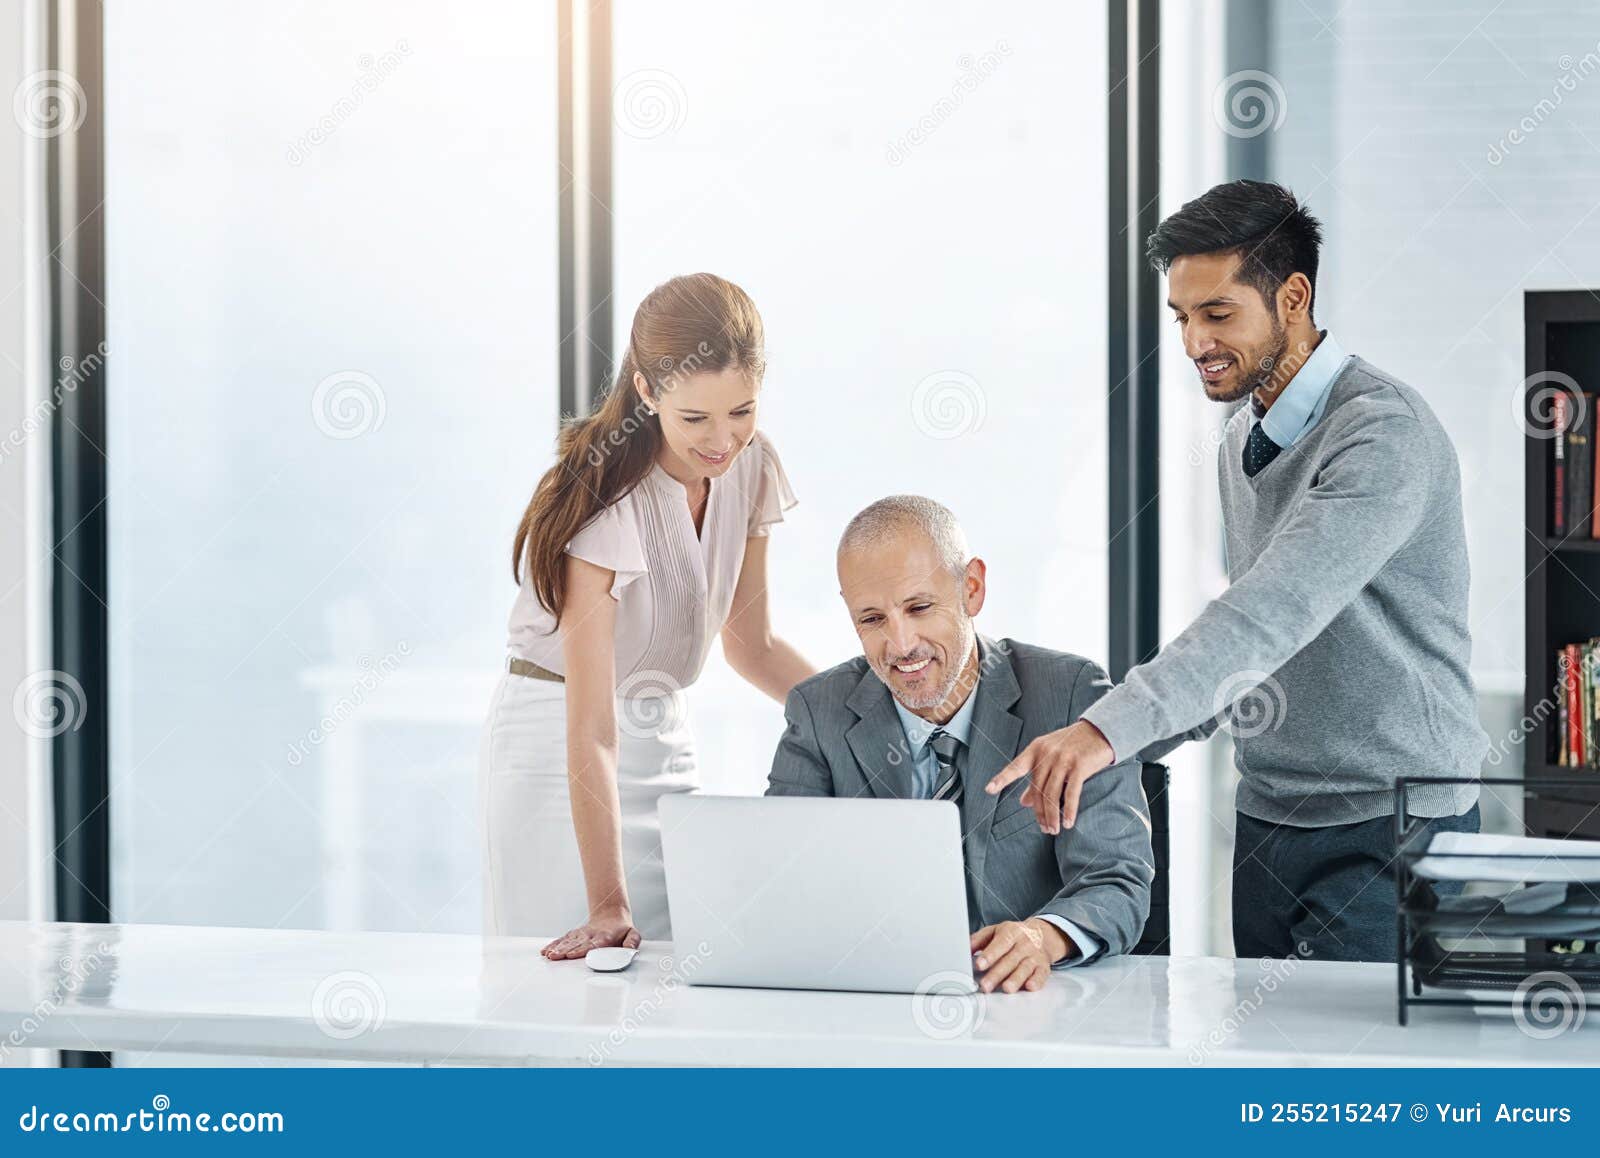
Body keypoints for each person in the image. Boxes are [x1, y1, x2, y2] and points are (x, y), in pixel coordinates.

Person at [986, 180, 1487, 962]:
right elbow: (1247, 655)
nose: (1194, 342)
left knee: (1345, 1047)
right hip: (1271, 817)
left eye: (1217, 314)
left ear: (1293, 297)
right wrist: (1114, 743)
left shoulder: (1383, 433)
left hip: (1392, 822)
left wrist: (1104, 732)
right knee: (1260, 1036)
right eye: (1182, 317)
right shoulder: (1241, 439)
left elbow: (1271, 612)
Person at [482, 272, 815, 960]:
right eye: (695, 419)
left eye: (742, 411)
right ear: (646, 390)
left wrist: (871, 715)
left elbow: (752, 645)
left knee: (669, 968)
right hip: (557, 740)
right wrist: (607, 902)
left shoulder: (752, 467)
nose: (722, 440)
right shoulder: (603, 494)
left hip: (660, 727)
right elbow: (592, 729)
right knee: (568, 979)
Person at [767, 495, 1153, 993]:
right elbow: (782, 883)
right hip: (880, 1000)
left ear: (971, 589)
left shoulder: (1069, 696)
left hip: (1030, 1005)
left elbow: (1116, 881)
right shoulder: (817, 712)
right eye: (873, 619)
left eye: (919, 608)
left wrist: (1042, 937)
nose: (901, 645)